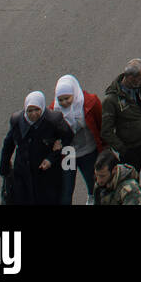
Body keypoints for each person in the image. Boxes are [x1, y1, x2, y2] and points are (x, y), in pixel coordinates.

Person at [0, 92, 73, 205]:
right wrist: (4, 169)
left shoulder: (54, 120)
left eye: (37, 110)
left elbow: (68, 137)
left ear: (42, 108)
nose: (33, 114)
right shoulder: (17, 121)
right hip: (23, 174)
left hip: (46, 176)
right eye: (29, 111)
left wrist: (51, 158)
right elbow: (8, 145)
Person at [101, 59, 141, 169]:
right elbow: (106, 131)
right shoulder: (111, 100)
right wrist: (123, 149)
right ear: (131, 78)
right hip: (132, 149)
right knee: (132, 181)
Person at [53, 74, 103, 203]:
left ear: (74, 94)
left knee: (93, 184)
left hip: (88, 151)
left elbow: (100, 123)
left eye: (67, 98)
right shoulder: (53, 110)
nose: (64, 103)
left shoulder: (90, 102)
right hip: (68, 153)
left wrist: (105, 147)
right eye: (60, 99)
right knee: (66, 189)